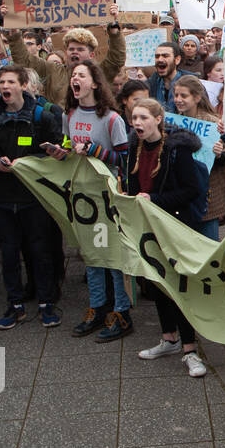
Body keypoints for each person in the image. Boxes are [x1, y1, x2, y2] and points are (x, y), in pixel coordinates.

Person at [43, 60, 132, 337]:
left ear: (95, 83)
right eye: (73, 75)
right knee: (92, 255)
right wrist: (61, 152)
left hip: (107, 197)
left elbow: (124, 159)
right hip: (83, 197)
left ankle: (122, 312)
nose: (74, 79)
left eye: (81, 74)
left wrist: (95, 150)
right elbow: (70, 148)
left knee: (113, 255)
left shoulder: (113, 119)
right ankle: (98, 307)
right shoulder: (68, 115)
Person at [121, 98, 209, 370]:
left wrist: (155, 199)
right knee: (157, 281)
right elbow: (135, 183)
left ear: (158, 119)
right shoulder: (135, 146)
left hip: (176, 226)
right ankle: (168, 338)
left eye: (144, 117)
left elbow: (192, 189)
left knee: (179, 285)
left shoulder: (175, 150)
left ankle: (190, 348)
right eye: (134, 117)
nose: (137, 123)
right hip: (149, 225)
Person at [0, 65, 64, 331]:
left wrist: (31, 161)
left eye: (10, 82)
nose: (5, 86)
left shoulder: (41, 116)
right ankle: (14, 304)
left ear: (22, 84)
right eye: (1, 82)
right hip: (2, 198)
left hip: (33, 197)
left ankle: (46, 302)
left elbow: (55, 152)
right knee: (9, 253)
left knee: (40, 251)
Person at [7, 19, 127, 108]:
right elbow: (24, 61)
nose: (75, 53)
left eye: (80, 50)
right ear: (66, 53)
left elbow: (116, 59)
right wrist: (15, 34)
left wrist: (114, 32)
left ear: (91, 55)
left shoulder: (99, 72)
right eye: (71, 49)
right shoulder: (53, 70)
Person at [172, 76, 225, 238]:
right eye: (176, 95)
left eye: (183, 96)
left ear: (197, 97)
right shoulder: (171, 122)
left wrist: (219, 154)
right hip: (180, 194)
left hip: (208, 196)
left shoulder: (214, 124)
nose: (178, 100)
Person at [146, 42, 186, 112]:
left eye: (165, 56)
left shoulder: (191, 84)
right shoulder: (149, 85)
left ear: (177, 60)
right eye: (157, 56)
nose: (160, 59)